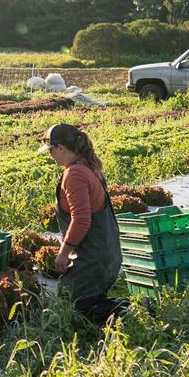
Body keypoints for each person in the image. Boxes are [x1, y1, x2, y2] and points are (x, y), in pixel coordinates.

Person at [40, 122, 127, 324]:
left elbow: (81, 219)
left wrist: (63, 253)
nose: (50, 156)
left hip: (93, 259)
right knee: (82, 301)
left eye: (51, 150)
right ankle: (119, 313)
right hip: (106, 254)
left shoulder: (75, 175)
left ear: (60, 147)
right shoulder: (88, 167)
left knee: (75, 309)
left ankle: (133, 310)